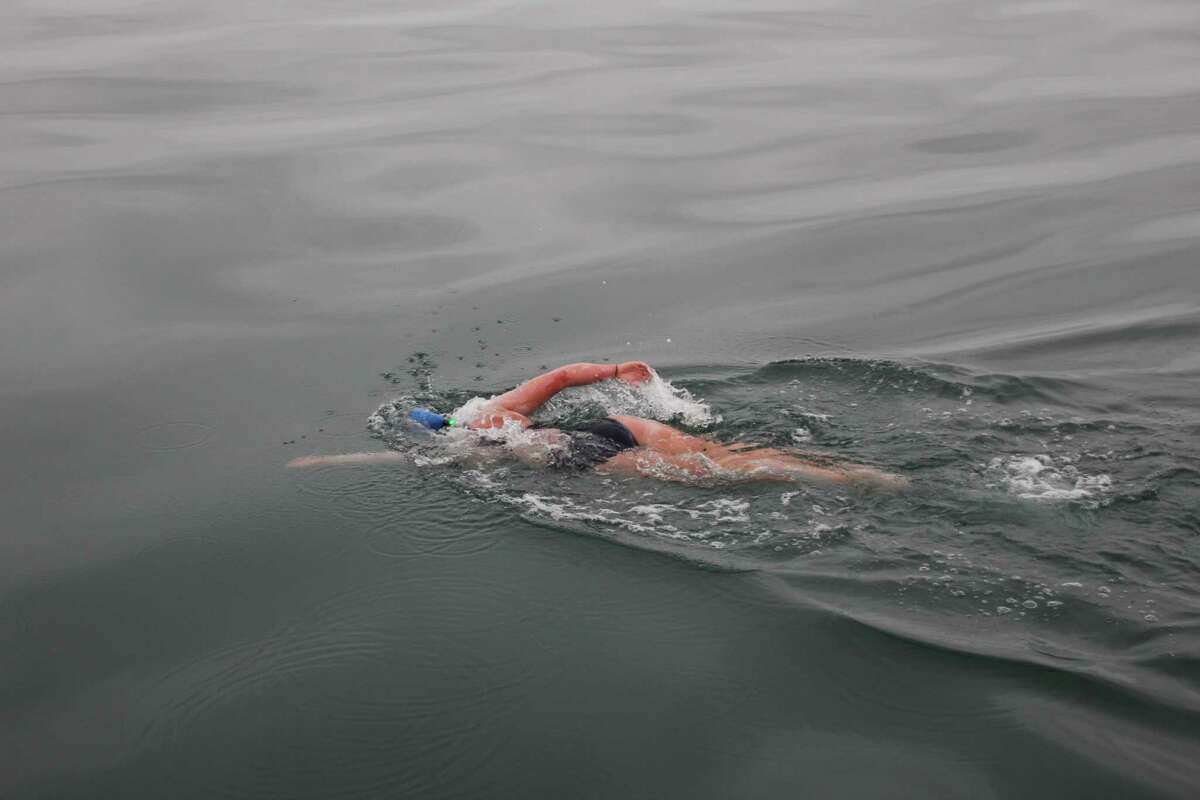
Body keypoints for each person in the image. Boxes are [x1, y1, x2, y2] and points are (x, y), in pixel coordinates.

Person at [288, 361, 906, 488]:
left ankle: (846, 481)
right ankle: (851, 470)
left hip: (586, 456)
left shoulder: (473, 446)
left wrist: (325, 462)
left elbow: (396, 459)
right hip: (620, 427)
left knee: (709, 474)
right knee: (723, 453)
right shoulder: (498, 407)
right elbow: (561, 376)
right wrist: (616, 370)